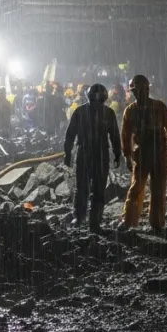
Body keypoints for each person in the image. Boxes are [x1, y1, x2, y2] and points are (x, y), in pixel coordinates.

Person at [119, 75, 167, 233]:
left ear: (147, 89)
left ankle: (157, 223)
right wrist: (126, 155)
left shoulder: (159, 107)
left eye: (141, 90)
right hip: (142, 153)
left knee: (158, 189)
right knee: (136, 188)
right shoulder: (130, 111)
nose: (138, 93)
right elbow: (125, 135)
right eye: (135, 91)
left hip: (159, 152)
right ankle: (128, 221)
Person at [64, 83, 122, 233]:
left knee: (92, 189)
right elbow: (70, 135)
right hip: (89, 153)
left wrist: (117, 153)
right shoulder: (84, 112)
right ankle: (85, 219)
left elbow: (115, 135)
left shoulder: (105, 113)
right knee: (88, 188)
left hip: (95, 154)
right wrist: (67, 154)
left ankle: (89, 220)